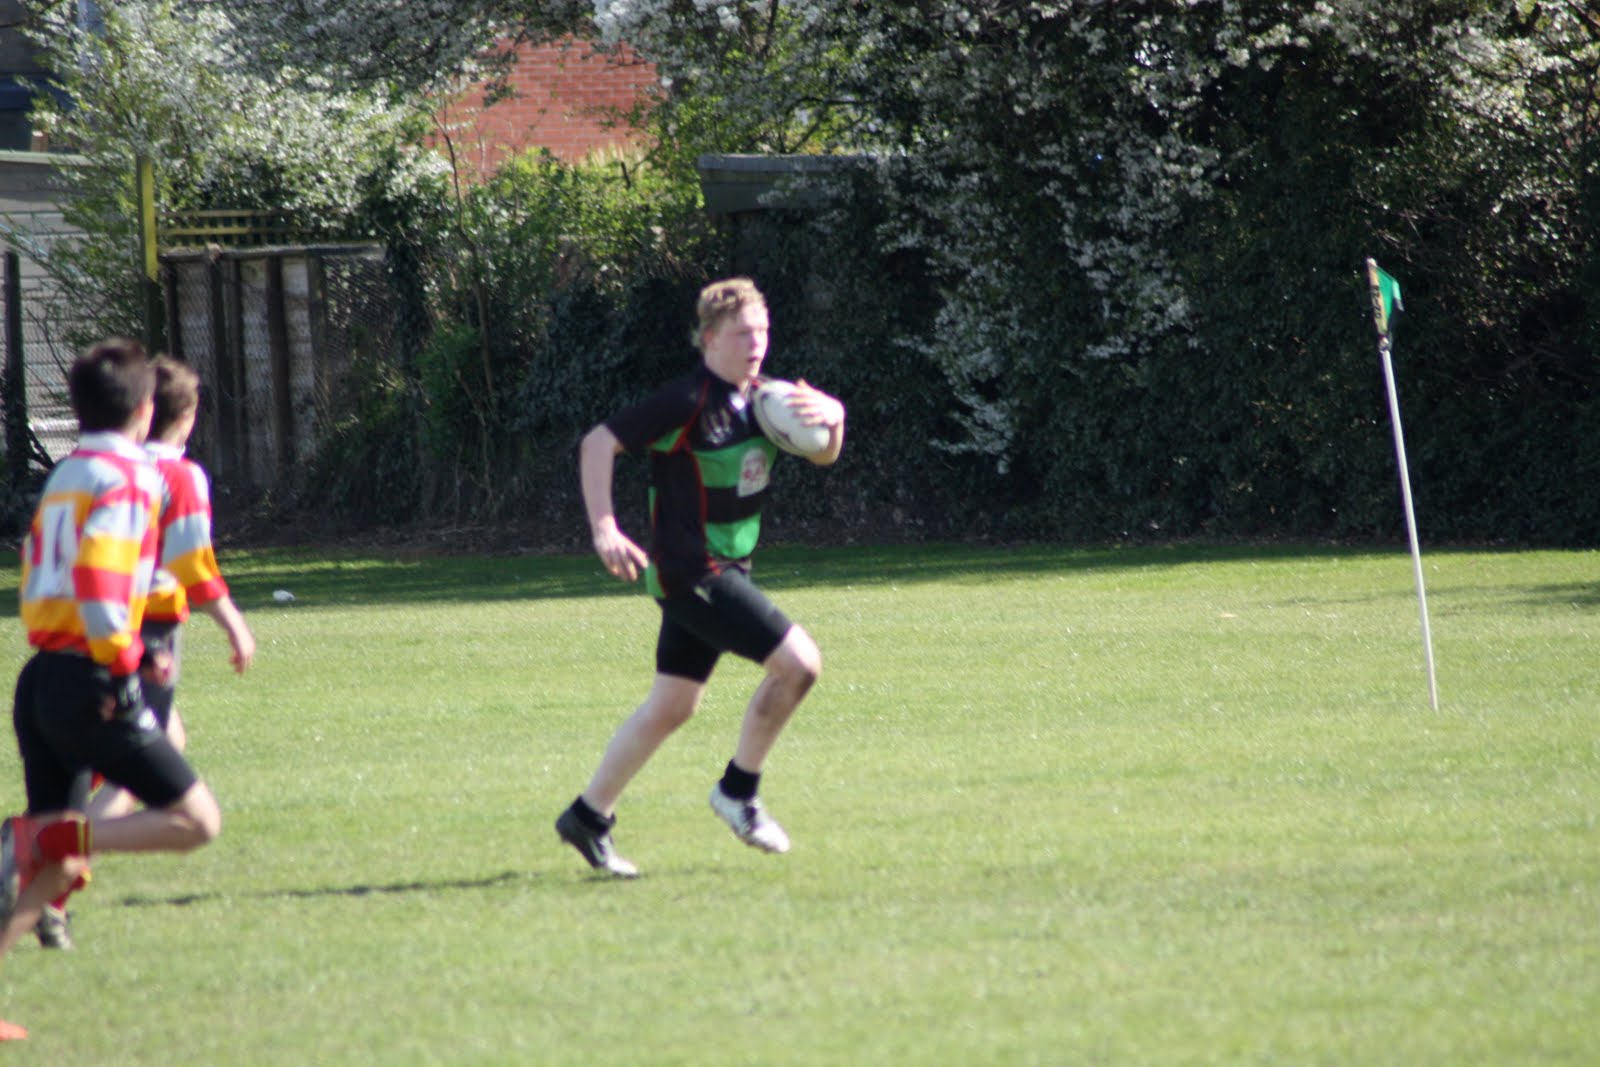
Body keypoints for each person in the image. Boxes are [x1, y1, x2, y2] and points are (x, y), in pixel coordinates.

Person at [555, 277, 845, 878]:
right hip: (693, 573)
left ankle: (587, 817)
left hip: (727, 569)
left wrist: (835, 418)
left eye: (763, 333)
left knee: (673, 705)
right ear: (710, 340)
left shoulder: (767, 400)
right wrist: (605, 527)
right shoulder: (687, 400)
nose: (756, 344)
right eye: (743, 334)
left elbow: (823, 454)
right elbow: (597, 444)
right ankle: (738, 791)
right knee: (799, 664)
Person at [0, 340, 224, 1040]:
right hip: (92, 676)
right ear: (146, 407)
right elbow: (101, 578)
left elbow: (39, 564)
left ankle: (37, 843)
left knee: (49, 870)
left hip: (41, 672)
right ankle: (39, 832)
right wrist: (126, 658)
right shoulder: (133, 477)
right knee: (196, 821)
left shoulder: (67, 473)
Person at [39, 355, 256, 950]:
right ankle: (57, 873)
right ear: (181, 418)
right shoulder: (178, 475)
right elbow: (191, 561)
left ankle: (49, 874)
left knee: (127, 752)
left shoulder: (95, 468)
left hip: (83, 634)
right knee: (129, 768)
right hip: (147, 631)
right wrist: (233, 622)